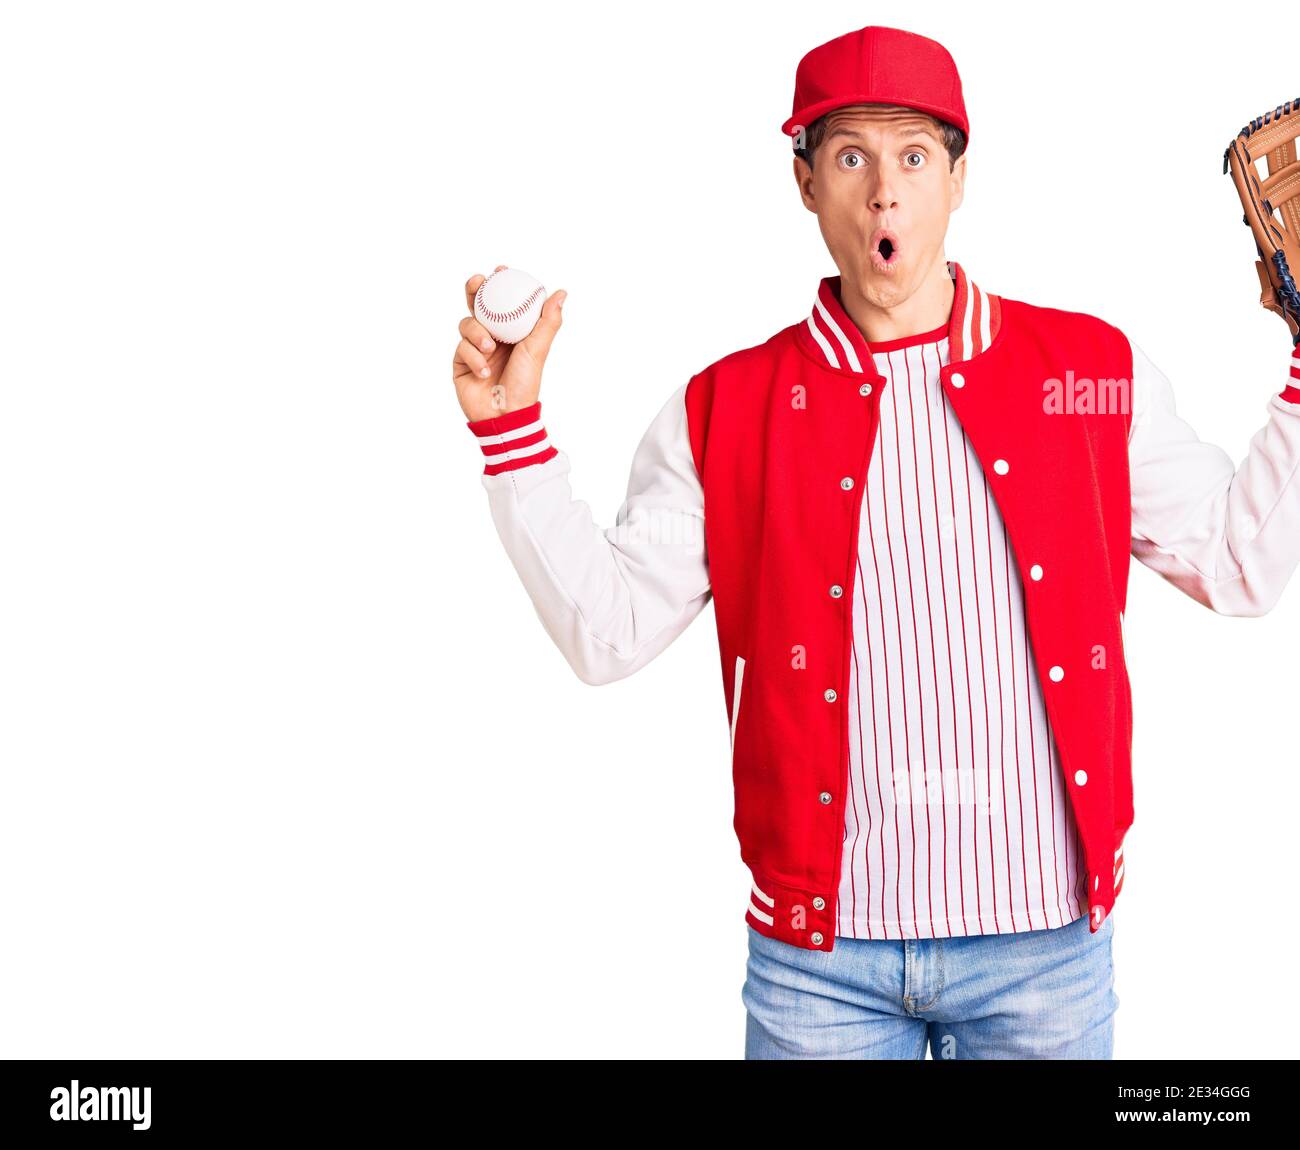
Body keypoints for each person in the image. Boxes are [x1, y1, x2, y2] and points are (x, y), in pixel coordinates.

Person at [450, 25, 1300, 1059]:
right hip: (819, 970)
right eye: (850, 156)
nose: (884, 195)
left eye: (912, 156)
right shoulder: (725, 409)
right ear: (806, 184)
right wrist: (511, 431)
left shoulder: (1089, 371)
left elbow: (1239, 562)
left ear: (957, 177)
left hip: (1045, 955)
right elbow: (608, 632)